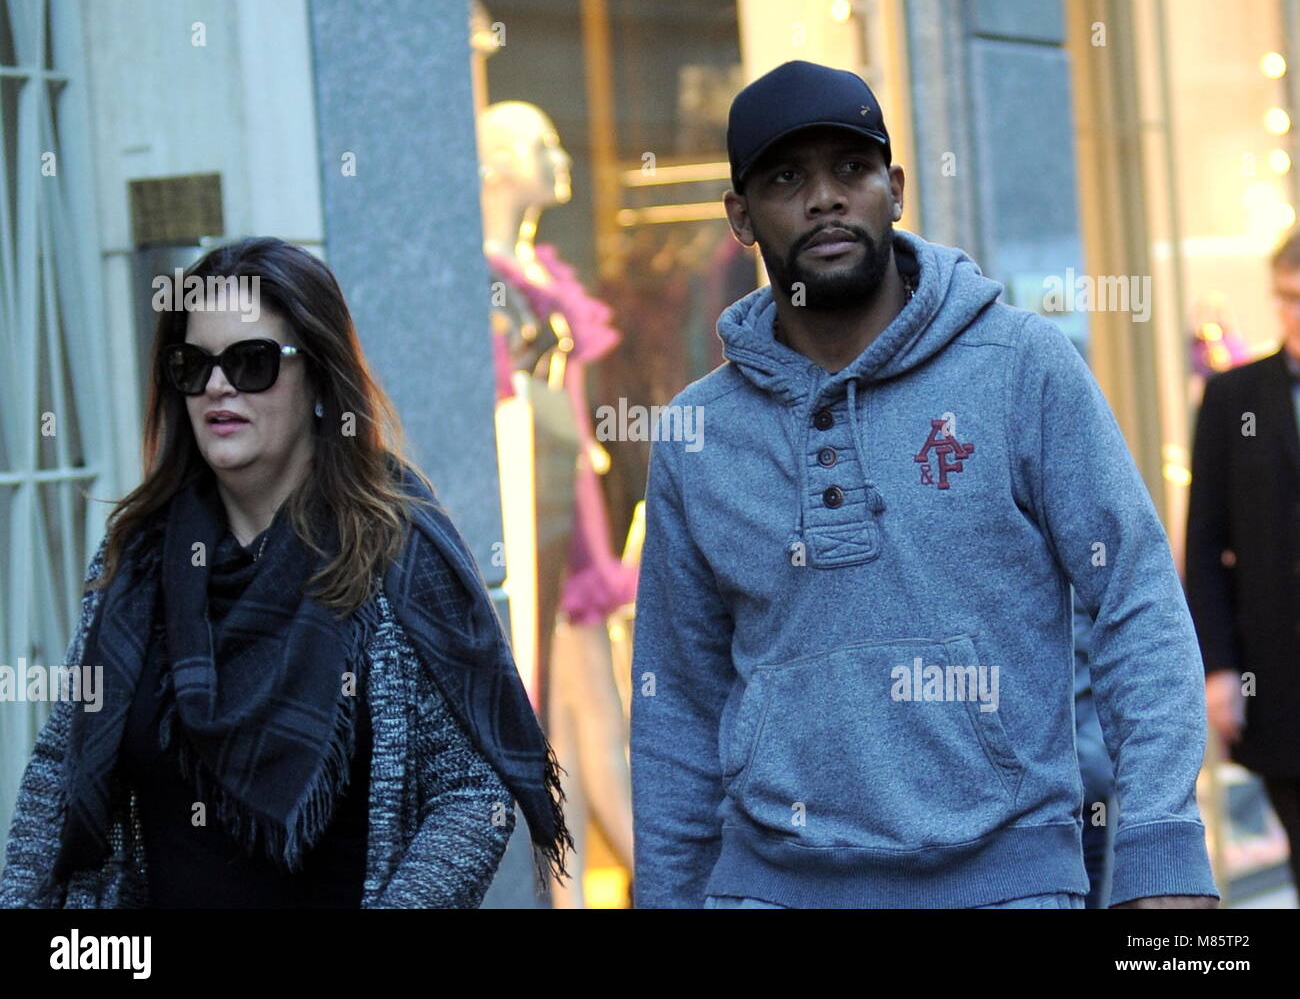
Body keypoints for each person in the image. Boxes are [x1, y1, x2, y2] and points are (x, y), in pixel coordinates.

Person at [629, 60, 1218, 909]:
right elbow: (678, 705)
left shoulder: (1022, 368)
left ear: (895, 189)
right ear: (740, 217)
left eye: (852, 168)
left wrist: (1163, 848)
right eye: (787, 177)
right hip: (770, 892)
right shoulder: (697, 436)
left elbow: (1138, 603)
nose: (825, 197)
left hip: (1007, 885)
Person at [0, 237, 571, 909]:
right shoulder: (139, 560)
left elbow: (469, 791)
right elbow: (60, 770)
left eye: (251, 362)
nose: (218, 385)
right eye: (194, 365)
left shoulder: (394, 547)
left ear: (320, 379)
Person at [1186, 232, 1300, 893]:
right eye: (1288, 299)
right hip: (1276, 673)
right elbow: (1202, 541)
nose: (1298, 315)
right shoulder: (1232, 399)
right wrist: (1221, 668)